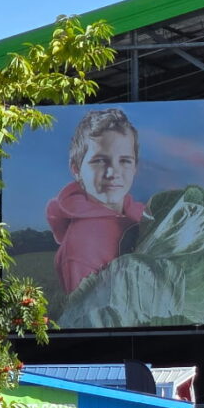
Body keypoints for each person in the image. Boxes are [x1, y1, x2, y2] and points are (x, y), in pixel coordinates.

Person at [47, 108, 145, 293]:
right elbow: (90, 317)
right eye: (100, 161)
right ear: (76, 170)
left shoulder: (142, 216)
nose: (112, 173)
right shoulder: (81, 244)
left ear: (135, 168)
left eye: (125, 161)